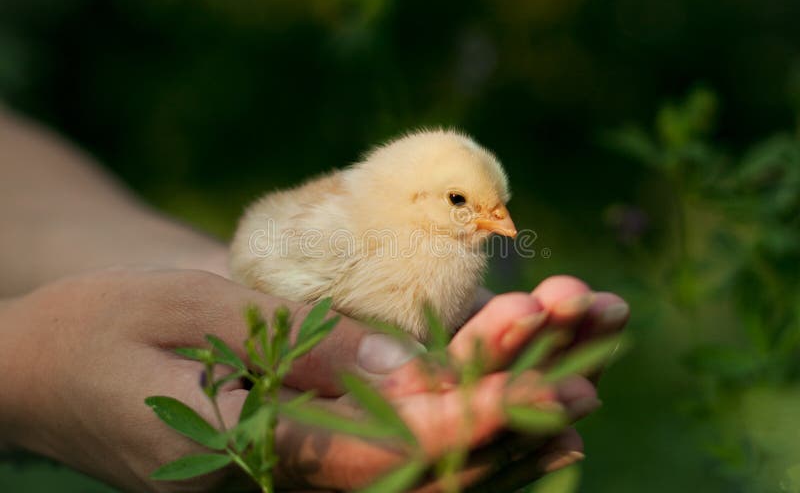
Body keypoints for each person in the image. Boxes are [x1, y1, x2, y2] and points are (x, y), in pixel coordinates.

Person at [0, 106, 629, 492]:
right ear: (415, 200)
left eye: (496, 203)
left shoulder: (434, 242)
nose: (497, 220)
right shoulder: (348, 233)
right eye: (463, 204)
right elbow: (263, 252)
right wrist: (30, 366)